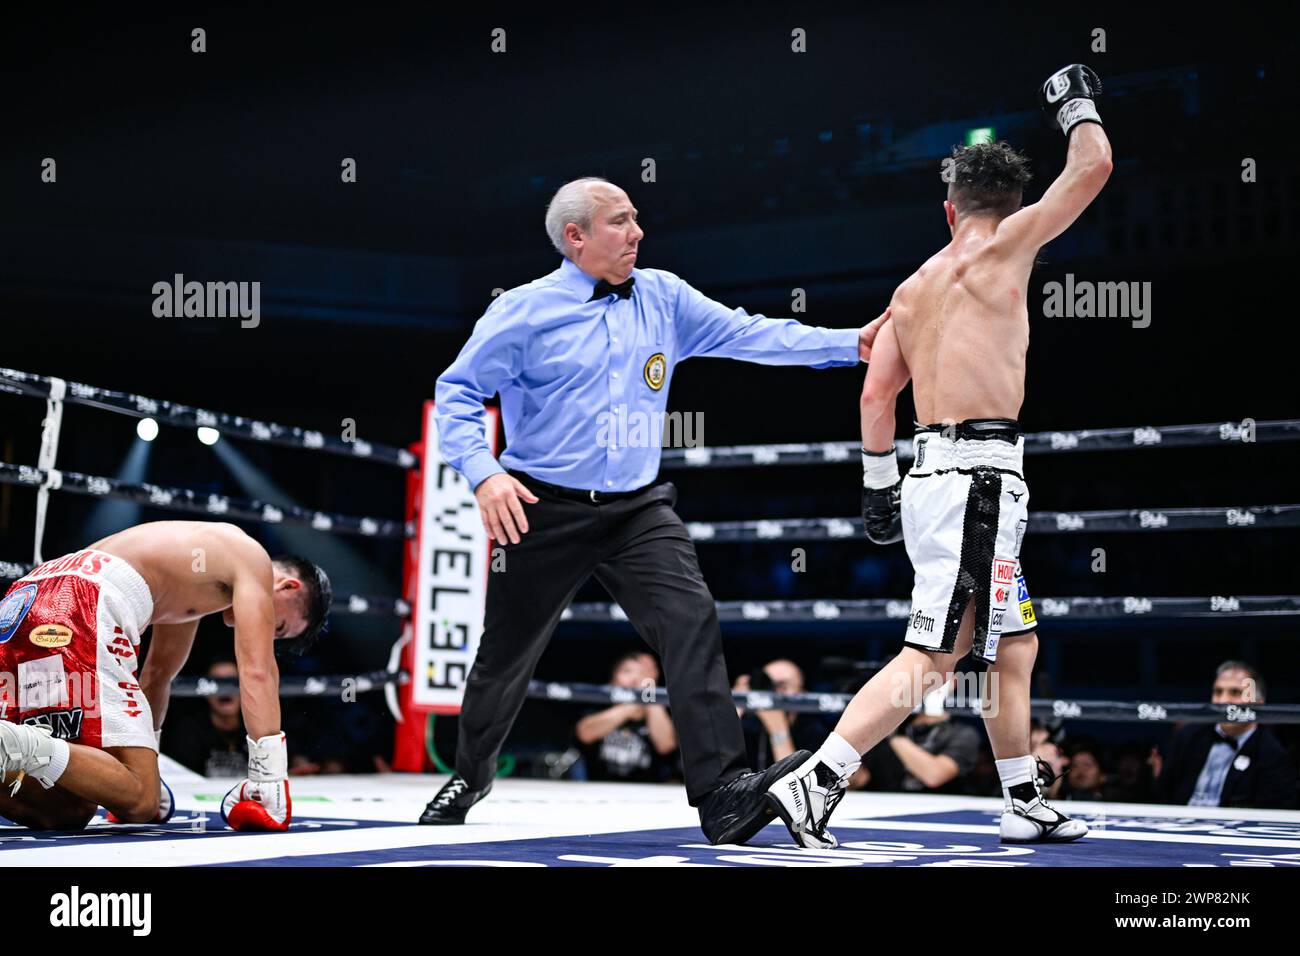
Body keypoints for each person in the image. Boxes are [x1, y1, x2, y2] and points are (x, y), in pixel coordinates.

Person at [422, 176, 889, 845]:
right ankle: (471, 774)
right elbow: (458, 393)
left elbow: (750, 334)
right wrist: (484, 473)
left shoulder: (663, 295)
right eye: (619, 221)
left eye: (636, 217)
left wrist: (850, 345)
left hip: (637, 507)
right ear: (575, 236)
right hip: (539, 506)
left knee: (691, 620)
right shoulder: (522, 312)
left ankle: (723, 792)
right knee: (505, 655)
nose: (637, 232)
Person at [767, 64, 1112, 848]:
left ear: (947, 206)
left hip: (937, 478)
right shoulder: (1007, 246)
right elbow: (1092, 166)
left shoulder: (911, 289)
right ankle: (817, 780)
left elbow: (874, 398)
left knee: (1014, 642)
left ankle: (1021, 798)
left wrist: (878, 489)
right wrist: (1073, 98)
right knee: (941, 652)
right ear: (1011, 206)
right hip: (982, 484)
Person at [0, 520, 329, 831]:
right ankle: (15, 740)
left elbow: (157, 675)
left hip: (31, 594)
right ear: (288, 586)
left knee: (68, 809)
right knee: (142, 798)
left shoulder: (192, 577)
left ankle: (10, 742)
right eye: (279, 626)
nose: (267, 630)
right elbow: (258, 671)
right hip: (86, 596)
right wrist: (268, 779)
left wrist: (146, 760)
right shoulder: (251, 556)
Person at [1151, 661, 1297, 809]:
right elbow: (1164, 795)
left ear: (1258, 703)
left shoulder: (1272, 753)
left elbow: (1273, 814)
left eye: (1235, 693)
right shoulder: (1189, 736)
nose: (1223, 701)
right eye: (1218, 692)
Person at [575, 652, 677, 783]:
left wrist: (650, 691)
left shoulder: (659, 714)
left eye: (642, 673)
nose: (635, 678)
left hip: (647, 794)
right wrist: (632, 704)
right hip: (599, 789)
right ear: (612, 681)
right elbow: (585, 733)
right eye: (627, 671)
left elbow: (666, 745)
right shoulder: (598, 709)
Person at [161, 658, 248, 777]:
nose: (223, 689)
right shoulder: (189, 731)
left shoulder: (257, 729)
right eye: (216, 682)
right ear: (204, 691)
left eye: (230, 681)